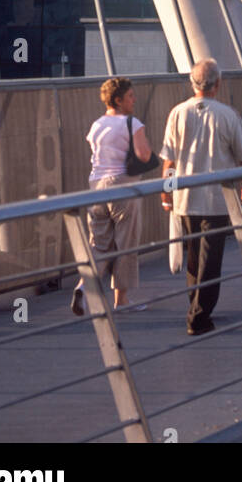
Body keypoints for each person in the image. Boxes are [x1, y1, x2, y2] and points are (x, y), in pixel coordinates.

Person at [159, 59, 242, 336]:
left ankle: (195, 304)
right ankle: (199, 317)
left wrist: (167, 196)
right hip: (217, 199)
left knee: (193, 257)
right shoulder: (228, 115)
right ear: (218, 84)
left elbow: (169, 161)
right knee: (211, 260)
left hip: (184, 198)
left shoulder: (177, 113)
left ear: (192, 83)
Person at [71, 77, 153, 314]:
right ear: (119, 99)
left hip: (96, 186)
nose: (134, 100)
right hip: (122, 184)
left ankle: (83, 286)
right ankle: (122, 300)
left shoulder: (96, 125)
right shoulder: (132, 123)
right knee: (126, 241)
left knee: (99, 243)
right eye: (130, 96)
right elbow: (144, 154)